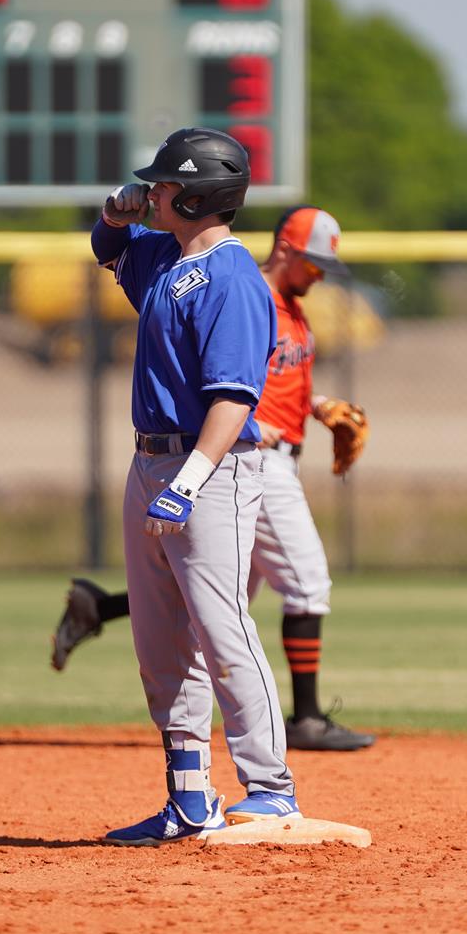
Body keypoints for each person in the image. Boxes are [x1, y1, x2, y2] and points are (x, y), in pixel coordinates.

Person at [50, 205, 376, 752]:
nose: (320, 275)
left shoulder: (294, 309)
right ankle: (302, 722)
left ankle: (98, 607)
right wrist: (254, 426)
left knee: (218, 597)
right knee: (302, 581)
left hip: (269, 453)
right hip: (245, 457)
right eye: (314, 264)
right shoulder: (244, 290)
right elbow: (230, 382)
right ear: (287, 251)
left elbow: (278, 380)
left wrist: (317, 406)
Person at [89, 127, 299, 844]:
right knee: (159, 643)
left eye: (165, 185)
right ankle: (189, 801)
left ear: (198, 195)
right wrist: (117, 213)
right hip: (149, 462)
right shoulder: (168, 260)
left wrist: (189, 479)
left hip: (207, 471)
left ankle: (271, 789)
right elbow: (108, 248)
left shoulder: (235, 280)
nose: (154, 192)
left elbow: (235, 398)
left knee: (222, 629)